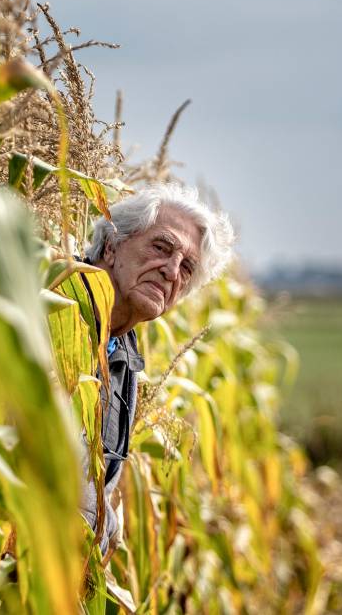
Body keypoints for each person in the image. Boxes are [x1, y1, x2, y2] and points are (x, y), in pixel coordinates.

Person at [71, 182, 235, 555]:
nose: (171, 271)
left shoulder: (124, 354)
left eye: (187, 268)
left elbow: (99, 485)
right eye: (162, 247)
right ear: (112, 246)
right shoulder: (54, 308)